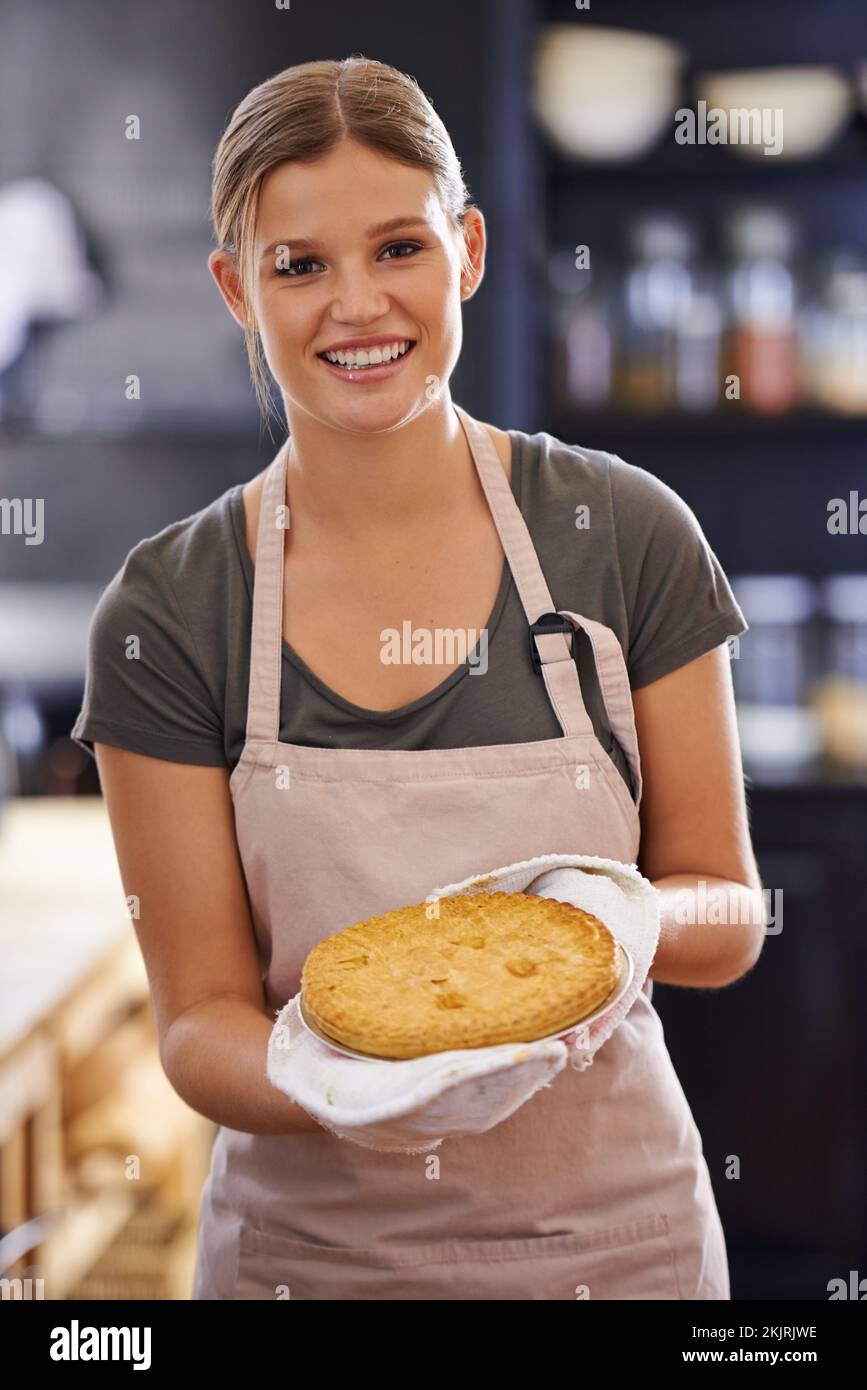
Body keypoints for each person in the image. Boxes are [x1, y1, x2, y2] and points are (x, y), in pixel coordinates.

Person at [71, 56, 765, 1301]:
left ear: (471, 251)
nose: (357, 305)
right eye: (299, 265)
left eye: (400, 247)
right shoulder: (171, 609)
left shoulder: (626, 533)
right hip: (311, 1265)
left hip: (619, 1252)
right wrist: (343, 1086)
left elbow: (726, 908)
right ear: (237, 287)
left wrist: (622, 923)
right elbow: (198, 1023)